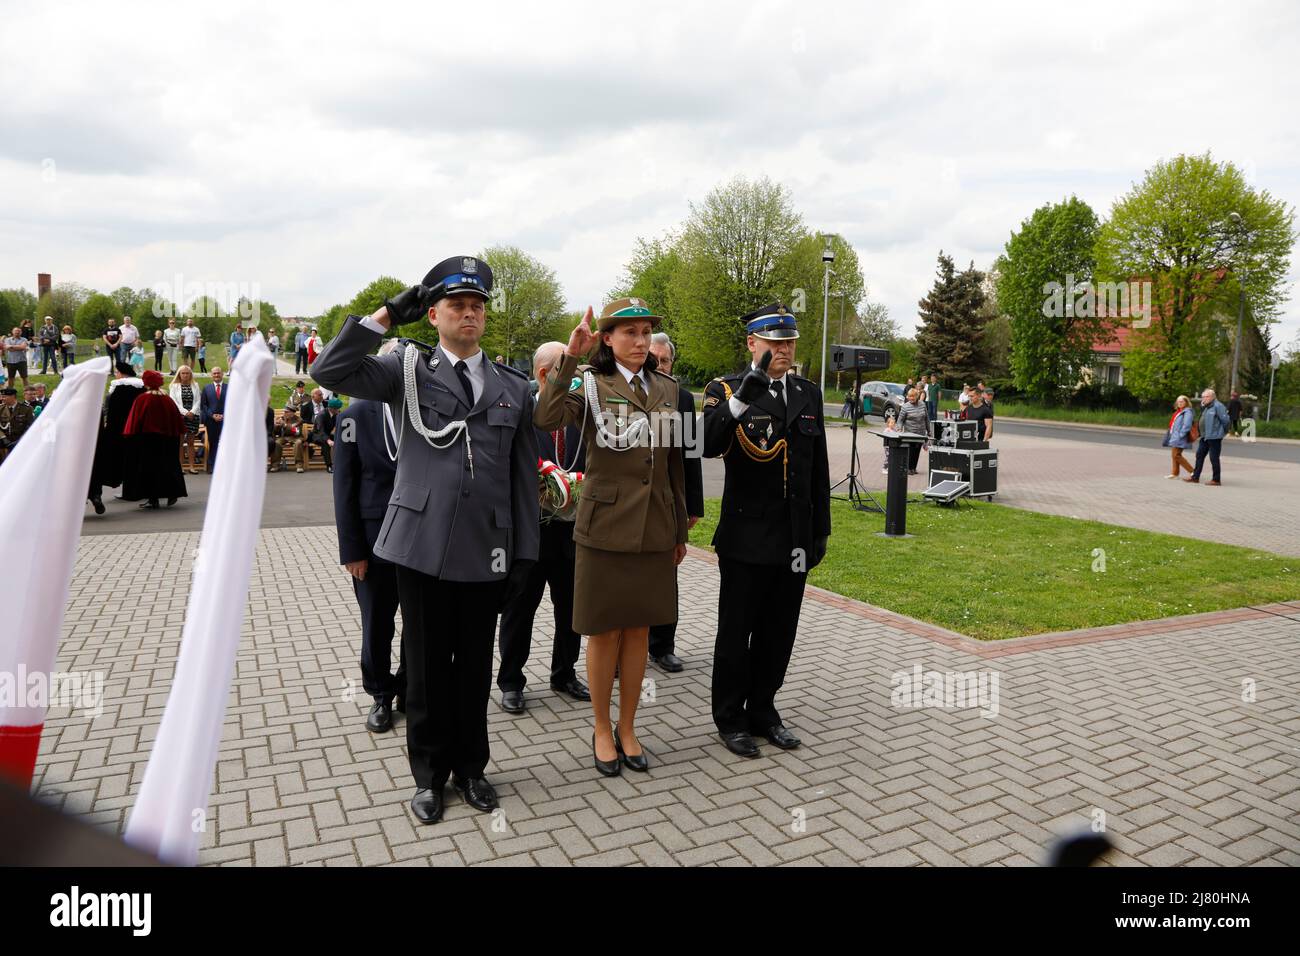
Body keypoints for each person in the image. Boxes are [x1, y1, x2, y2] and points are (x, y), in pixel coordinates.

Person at [310, 254, 539, 826]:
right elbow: (330, 371)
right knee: (427, 666)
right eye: (457, 304)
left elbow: (522, 475)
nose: (469, 313)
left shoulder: (512, 385)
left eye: (477, 305)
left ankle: (473, 768)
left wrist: (526, 552)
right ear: (433, 313)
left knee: (473, 671)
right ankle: (429, 776)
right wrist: (387, 314)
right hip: (420, 546)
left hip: (487, 547)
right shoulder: (406, 371)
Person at [535, 298, 688, 777]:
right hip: (605, 526)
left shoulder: (667, 388)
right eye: (629, 333)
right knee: (604, 632)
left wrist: (680, 528)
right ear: (608, 338)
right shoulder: (591, 384)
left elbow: (673, 465)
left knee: (639, 629)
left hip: (655, 525)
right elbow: (546, 418)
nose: (640, 342)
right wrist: (570, 358)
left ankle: (628, 727)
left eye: (645, 333)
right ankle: (601, 728)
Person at [701, 302, 831, 759]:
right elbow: (706, 443)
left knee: (780, 631)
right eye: (774, 343)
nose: (783, 350)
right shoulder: (726, 389)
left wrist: (820, 531)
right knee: (736, 632)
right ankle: (730, 718)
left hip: (794, 536)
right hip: (746, 537)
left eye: (789, 342)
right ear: (752, 344)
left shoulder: (806, 392)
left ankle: (764, 709)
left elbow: (818, 467)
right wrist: (742, 399)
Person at [495, 342, 591, 714]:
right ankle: (511, 681)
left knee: (571, 608)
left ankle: (564, 673)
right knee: (520, 608)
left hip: (573, 530)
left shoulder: (582, 410)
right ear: (542, 375)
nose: (578, 377)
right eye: (568, 369)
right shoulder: (520, 410)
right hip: (530, 531)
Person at [333, 396, 407, 732]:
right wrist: (352, 550)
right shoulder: (354, 416)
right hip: (373, 543)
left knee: (420, 622)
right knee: (377, 622)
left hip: (421, 540)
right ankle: (380, 694)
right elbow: (344, 485)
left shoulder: (423, 409)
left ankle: (410, 687)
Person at [646, 330, 704, 673]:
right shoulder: (626, 392)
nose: (659, 366)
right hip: (634, 500)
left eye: (665, 360)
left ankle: (663, 645)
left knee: (667, 578)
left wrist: (692, 506)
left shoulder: (682, 397)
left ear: (672, 362)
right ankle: (624, 649)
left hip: (668, 502)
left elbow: (691, 453)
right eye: (654, 360)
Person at [121, 369, 187, 509]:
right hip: (169, 439)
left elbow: (135, 419)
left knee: (150, 469)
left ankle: (153, 499)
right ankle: (172, 493)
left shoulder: (143, 399)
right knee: (170, 466)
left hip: (149, 440)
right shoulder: (167, 398)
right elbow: (177, 420)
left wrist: (129, 434)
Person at [88, 362, 145, 509]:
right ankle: (137, 490)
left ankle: (127, 492)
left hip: (120, 432)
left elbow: (112, 414)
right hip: (139, 431)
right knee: (136, 460)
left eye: (117, 372)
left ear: (122, 373)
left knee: (124, 462)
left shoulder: (118, 390)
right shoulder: (141, 389)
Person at [1185, 388, 1230, 486]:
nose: (1204, 398)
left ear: (1213, 397)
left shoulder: (1218, 406)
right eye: (1203, 397)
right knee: (1199, 455)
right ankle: (1195, 477)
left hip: (1214, 437)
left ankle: (1216, 480)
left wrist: (1222, 433)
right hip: (1205, 437)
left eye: (1206, 396)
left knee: (1214, 458)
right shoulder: (1206, 407)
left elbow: (1226, 421)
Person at [169, 365, 203, 474]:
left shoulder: (195, 385)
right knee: (180, 442)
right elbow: (174, 401)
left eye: (187, 373)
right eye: (183, 373)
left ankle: (192, 466)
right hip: (180, 416)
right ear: (179, 374)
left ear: (190, 374)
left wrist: (192, 412)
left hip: (193, 416)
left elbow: (198, 400)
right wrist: (185, 412)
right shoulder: (174, 386)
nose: (185, 375)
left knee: (191, 442)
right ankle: (181, 467)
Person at [200, 367, 227, 473]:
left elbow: (233, 403)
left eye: (218, 373)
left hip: (226, 421)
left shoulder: (229, 387)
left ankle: (226, 466)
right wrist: (212, 416)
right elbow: (204, 406)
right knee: (213, 442)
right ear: (211, 375)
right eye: (214, 373)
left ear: (222, 374)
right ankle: (212, 464)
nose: (216, 375)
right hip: (211, 421)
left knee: (227, 443)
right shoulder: (206, 388)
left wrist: (224, 415)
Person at [896, 387, 929, 475]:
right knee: (911, 451)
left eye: (913, 396)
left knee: (917, 451)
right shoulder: (905, 406)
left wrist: (929, 431)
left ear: (917, 396)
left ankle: (913, 468)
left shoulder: (922, 404)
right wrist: (899, 428)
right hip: (910, 433)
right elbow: (900, 420)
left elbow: (926, 419)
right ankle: (908, 468)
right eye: (910, 396)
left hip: (921, 433)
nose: (911, 398)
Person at [1162, 394, 1195, 479]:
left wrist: (1181, 435)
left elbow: (1187, 425)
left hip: (1180, 437)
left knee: (1177, 455)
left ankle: (1193, 471)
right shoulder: (1179, 411)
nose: (1180, 403)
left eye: (1182, 401)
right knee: (1174, 455)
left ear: (1186, 402)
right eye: (1178, 401)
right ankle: (1175, 473)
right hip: (1175, 436)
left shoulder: (1187, 412)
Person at [0, 386, 35, 465]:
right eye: (2, 396)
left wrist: (20, 440)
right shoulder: (1, 408)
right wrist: (4, 438)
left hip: (20, 441)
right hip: (4, 441)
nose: (2, 398)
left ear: (12, 397)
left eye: (4, 397)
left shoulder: (26, 409)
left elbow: (30, 426)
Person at [271, 406, 307, 472]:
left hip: (296, 437)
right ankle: (275, 465)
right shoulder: (281, 418)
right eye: (284, 412)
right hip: (284, 437)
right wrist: (276, 426)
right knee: (276, 443)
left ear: (292, 413)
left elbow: (296, 432)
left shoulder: (299, 420)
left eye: (287, 412)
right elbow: (276, 432)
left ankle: (299, 465)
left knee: (298, 443)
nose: (284, 413)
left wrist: (284, 425)